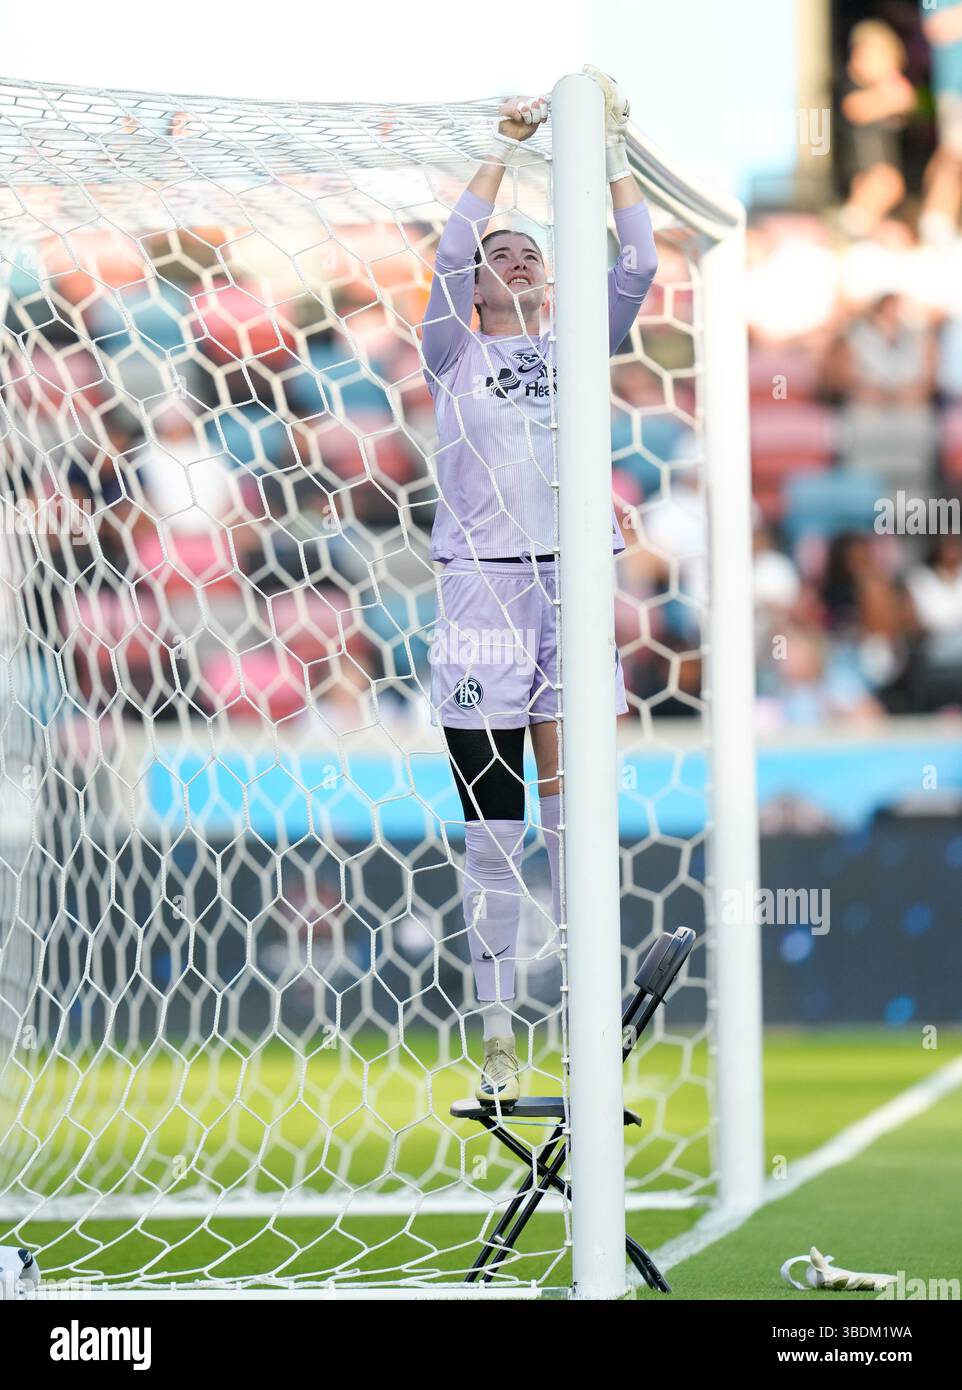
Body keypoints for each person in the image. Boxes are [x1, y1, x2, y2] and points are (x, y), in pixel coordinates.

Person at [420, 70, 657, 1104]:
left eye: (530, 248)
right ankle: (498, 1030)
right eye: (497, 250)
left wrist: (606, 153)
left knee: (571, 816)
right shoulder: (451, 349)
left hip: (569, 586)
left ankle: (581, 1016)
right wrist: (506, 149)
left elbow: (639, 256)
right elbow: (443, 250)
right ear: (474, 284)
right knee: (494, 827)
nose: (514, 252)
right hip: (479, 594)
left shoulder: (577, 347)